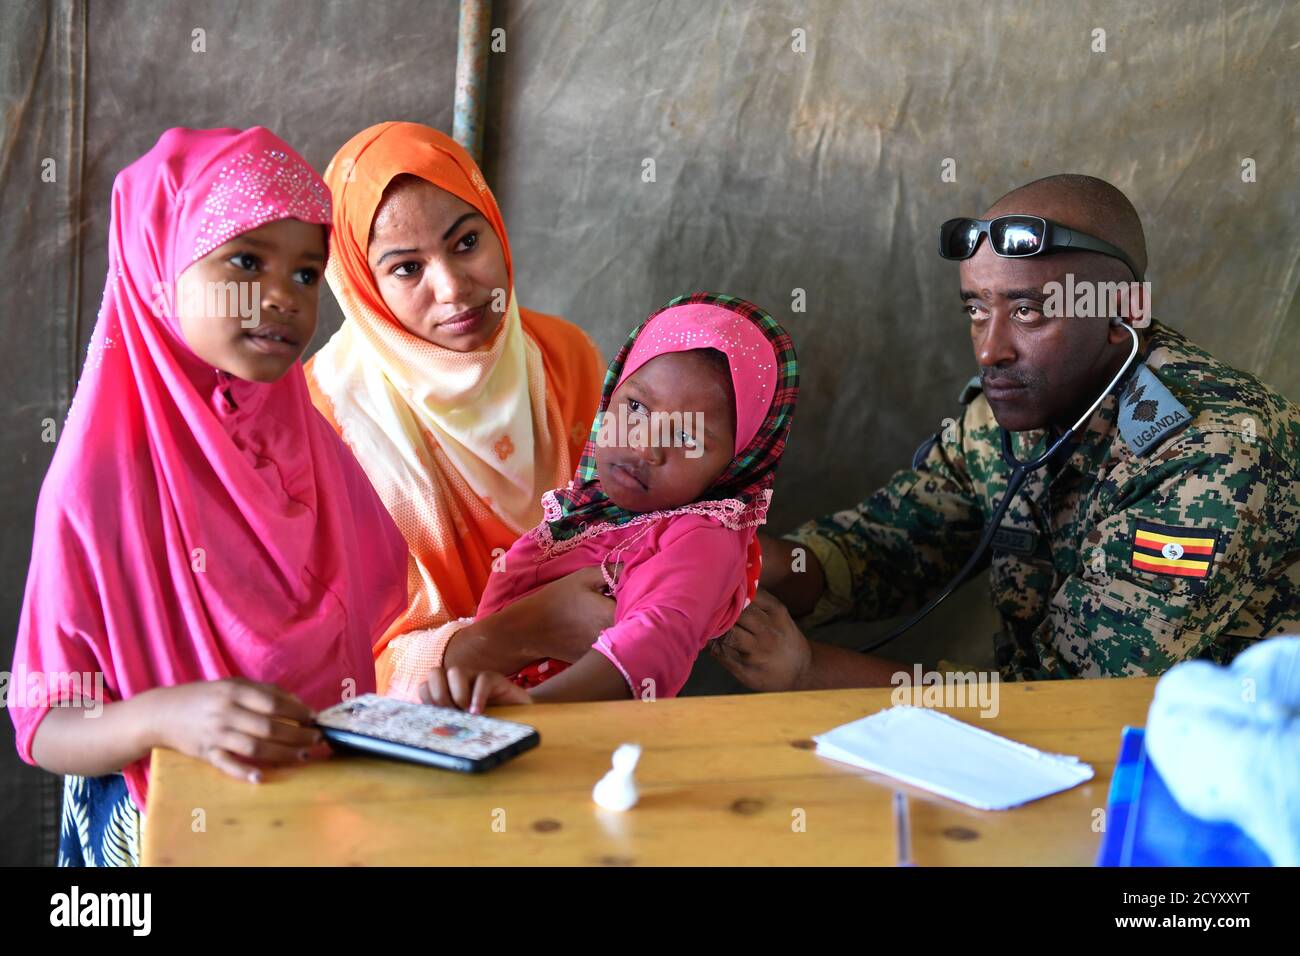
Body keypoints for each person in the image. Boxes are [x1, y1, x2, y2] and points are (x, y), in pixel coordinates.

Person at [713, 174, 1299, 690]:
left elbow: (1071, 699)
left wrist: (807, 672)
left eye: (1028, 312)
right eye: (975, 309)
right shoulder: (1010, 411)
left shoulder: (1212, 453)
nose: (990, 351)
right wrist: (726, 567)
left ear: (1126, 315)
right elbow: (891, 545)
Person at [7, 127, 408, 866]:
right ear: (159, 261)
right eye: (246, 260)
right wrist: (163, 716)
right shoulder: (99, 481)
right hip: (159, 822)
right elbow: (44, 725)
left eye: (307, 274)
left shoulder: (307, 444)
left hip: (307, 812)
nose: (283, 298)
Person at [304, 122, 604, 696]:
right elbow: (325, 670)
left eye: (466, 241)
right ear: (362, 284)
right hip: (417, 748)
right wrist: (512, 636)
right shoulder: (318, 422)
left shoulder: (568, 358)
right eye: (406, 268)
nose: (451, 288)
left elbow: (636, 543)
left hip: (596, 703)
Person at [403, 293, 798, 710]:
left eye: (687, 437)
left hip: (574, 745)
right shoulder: (593, 511)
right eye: (636, 406)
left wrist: (533, 709)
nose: (645, 446)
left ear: (736, 464)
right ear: (613, 392)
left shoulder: (702, 538)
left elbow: (657, 640)